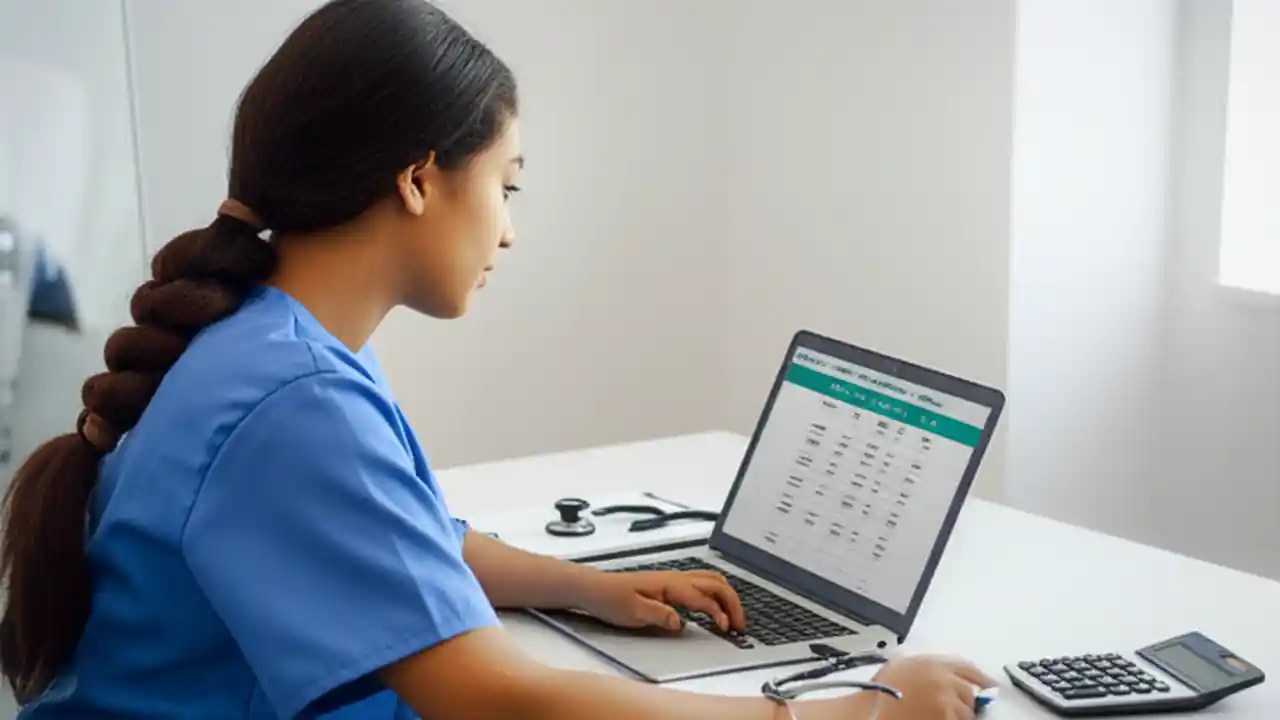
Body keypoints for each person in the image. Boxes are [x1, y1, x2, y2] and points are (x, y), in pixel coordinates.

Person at [0, 1, 996, 718]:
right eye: (506, 185)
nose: (508, 230)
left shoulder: (267, 344)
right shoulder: (294, 396)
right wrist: (845, 712)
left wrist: (581, 584)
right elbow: (494, 697)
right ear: (418, 179)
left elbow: (399, 539)